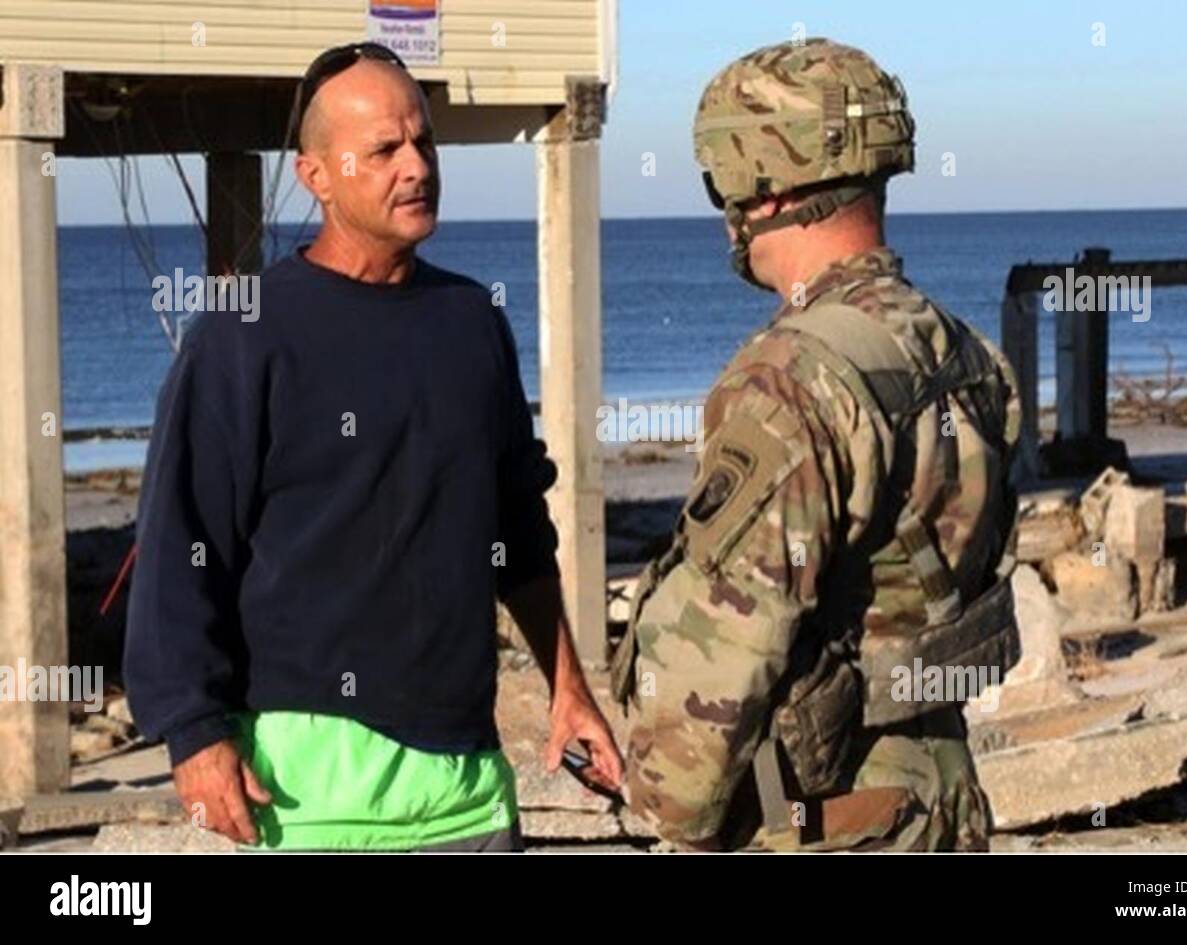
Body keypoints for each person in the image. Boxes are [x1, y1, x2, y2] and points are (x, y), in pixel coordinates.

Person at [125, 42, 622, 853]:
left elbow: (519, 533)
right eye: (384, 149)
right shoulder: (243, 334)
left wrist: (570, 689)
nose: (416, 166)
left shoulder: (473, 322)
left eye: (423, 140)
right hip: (304, 801)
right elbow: (182, 541)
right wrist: (192, 729)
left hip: (467, 797)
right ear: (316, 175)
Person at [612, 38, 1022, 852]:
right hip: (940, 797)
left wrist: (666, 811)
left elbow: (728, 645)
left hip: (824, 814)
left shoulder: (790, 380)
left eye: (721, 184)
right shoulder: (963, 352)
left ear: (763, 187)